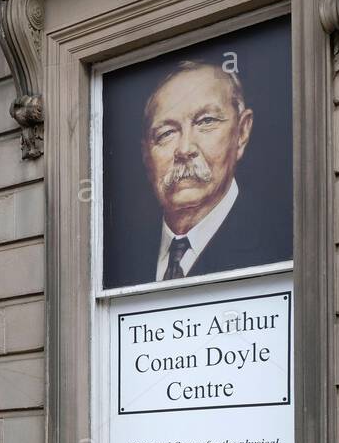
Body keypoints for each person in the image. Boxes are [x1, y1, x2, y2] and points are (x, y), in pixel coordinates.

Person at [106, 60, 291, 288]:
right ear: (146, 153)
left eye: (206, 122)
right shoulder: (123, 255)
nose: (184, 149)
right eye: (166, 133)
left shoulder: (282, 240)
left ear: (242, 131)